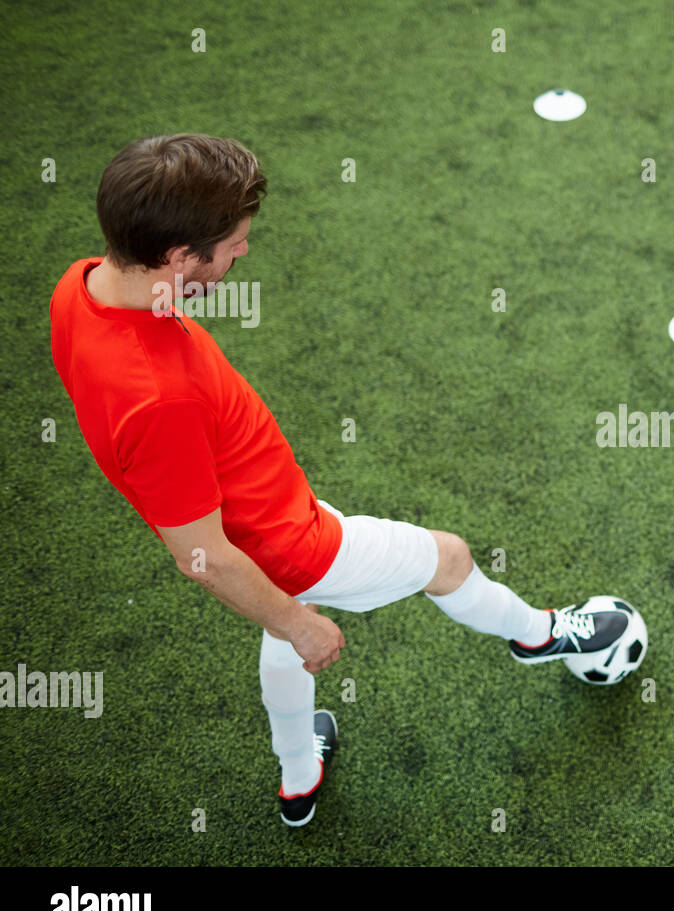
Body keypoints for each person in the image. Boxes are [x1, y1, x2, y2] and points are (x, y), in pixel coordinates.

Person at [49, 133, 633, 826]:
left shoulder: (84, 285)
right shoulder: (160, 401)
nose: (243, 252)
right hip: (292, 542)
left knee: (283, 643)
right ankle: (541, 635)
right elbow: (199, 557)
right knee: (447, 558)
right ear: (178, 257)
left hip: (257, 511)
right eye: (233, 242)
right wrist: (298, 620)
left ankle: (299, 779)